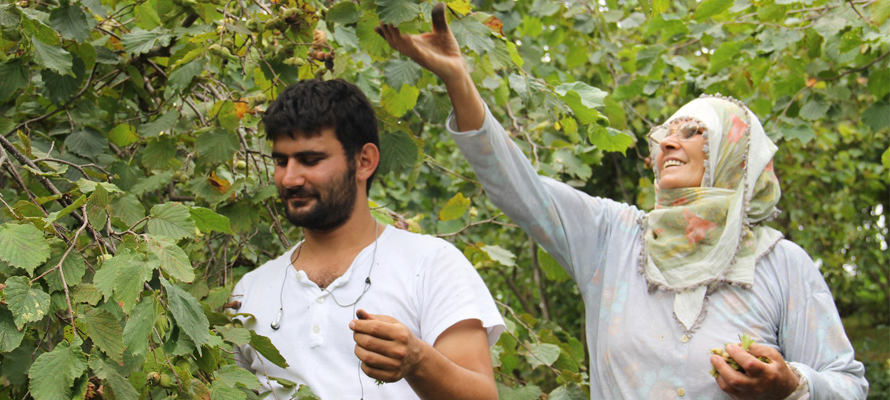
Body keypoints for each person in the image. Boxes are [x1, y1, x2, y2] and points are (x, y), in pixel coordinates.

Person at [376, 4, 868, 399]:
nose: (669, 143)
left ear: (736, 156)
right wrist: (460, 81)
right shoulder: (614, 240)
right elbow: (517, 186)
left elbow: (849, 385)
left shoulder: (781, 265)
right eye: (665, 134)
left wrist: (791, 384)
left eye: (694, 132)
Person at [229, 79, 504, 399]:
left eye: (310, 160)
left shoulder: (431, 265)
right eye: (281, 161)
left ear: (364, 162)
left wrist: (418, 360)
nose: (289, 178)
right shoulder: (250, 291)